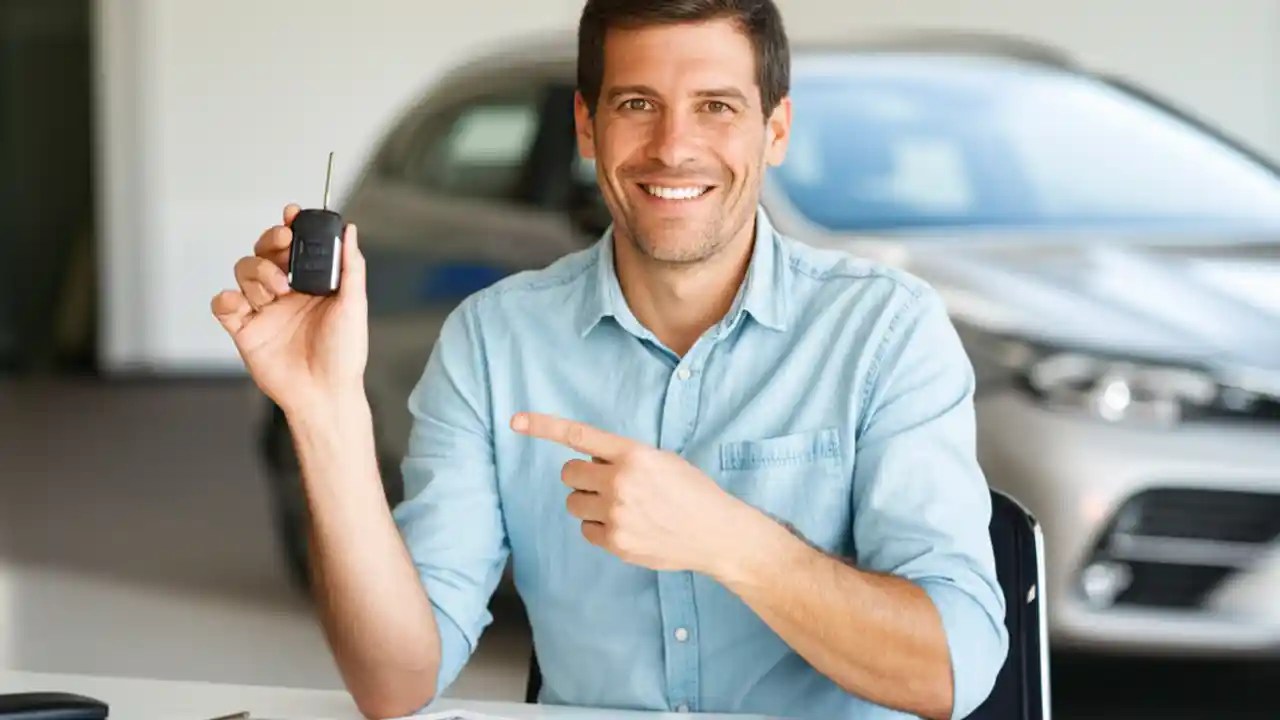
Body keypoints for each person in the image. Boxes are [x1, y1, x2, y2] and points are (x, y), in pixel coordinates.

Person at [212, 1, 1008, 718]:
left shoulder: (886, 332)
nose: (673, 147)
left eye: (716, 107)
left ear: (775, 130)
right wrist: (325, 413)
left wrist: (729, 540)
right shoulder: (493, 341)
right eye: (638, 105)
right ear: (588, 128)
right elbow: (395, 682)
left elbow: (951, 670)